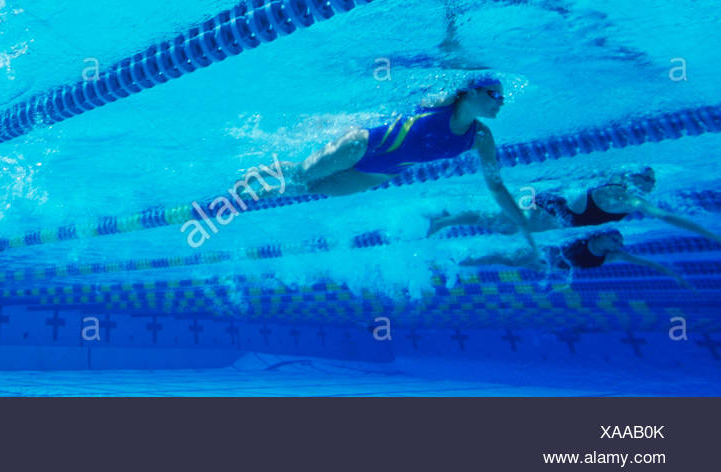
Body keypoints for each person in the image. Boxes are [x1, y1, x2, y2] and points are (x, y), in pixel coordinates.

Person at [278, 76, 536, 251]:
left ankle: (261, 192)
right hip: (362, 144)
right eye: (494, 95)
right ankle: (259, 173)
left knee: (311, 189)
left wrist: (522, 223)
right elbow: (451, 63)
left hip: (381, 172)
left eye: (502, 98)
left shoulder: (481, 137)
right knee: (301, 174)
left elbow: (496, 187)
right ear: (472, 90)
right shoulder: (443, 101)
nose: (500, 102)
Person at [428, 167, 721, 243]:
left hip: (559, 208)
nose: (651, 186)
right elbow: (668, 217)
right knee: (505, 224)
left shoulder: (618, 183)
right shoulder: (630, 199)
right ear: (636, 179)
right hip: (558, 212)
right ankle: (443, 220)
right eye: (648, 180)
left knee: (503, 224)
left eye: (651, 182)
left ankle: (447, 217)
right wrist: (708, 233)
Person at [461, 230, 690, 286]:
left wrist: (672, 273)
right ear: (603, 235)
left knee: (509, 259)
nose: (617, 245)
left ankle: (465, 261)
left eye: (619, 242)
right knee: (510, 257)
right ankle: (467, 259)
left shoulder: (614, 255)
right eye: (615, 240)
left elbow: (645, 262)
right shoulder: (584, 235)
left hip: (555, 265)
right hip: (551, 257)